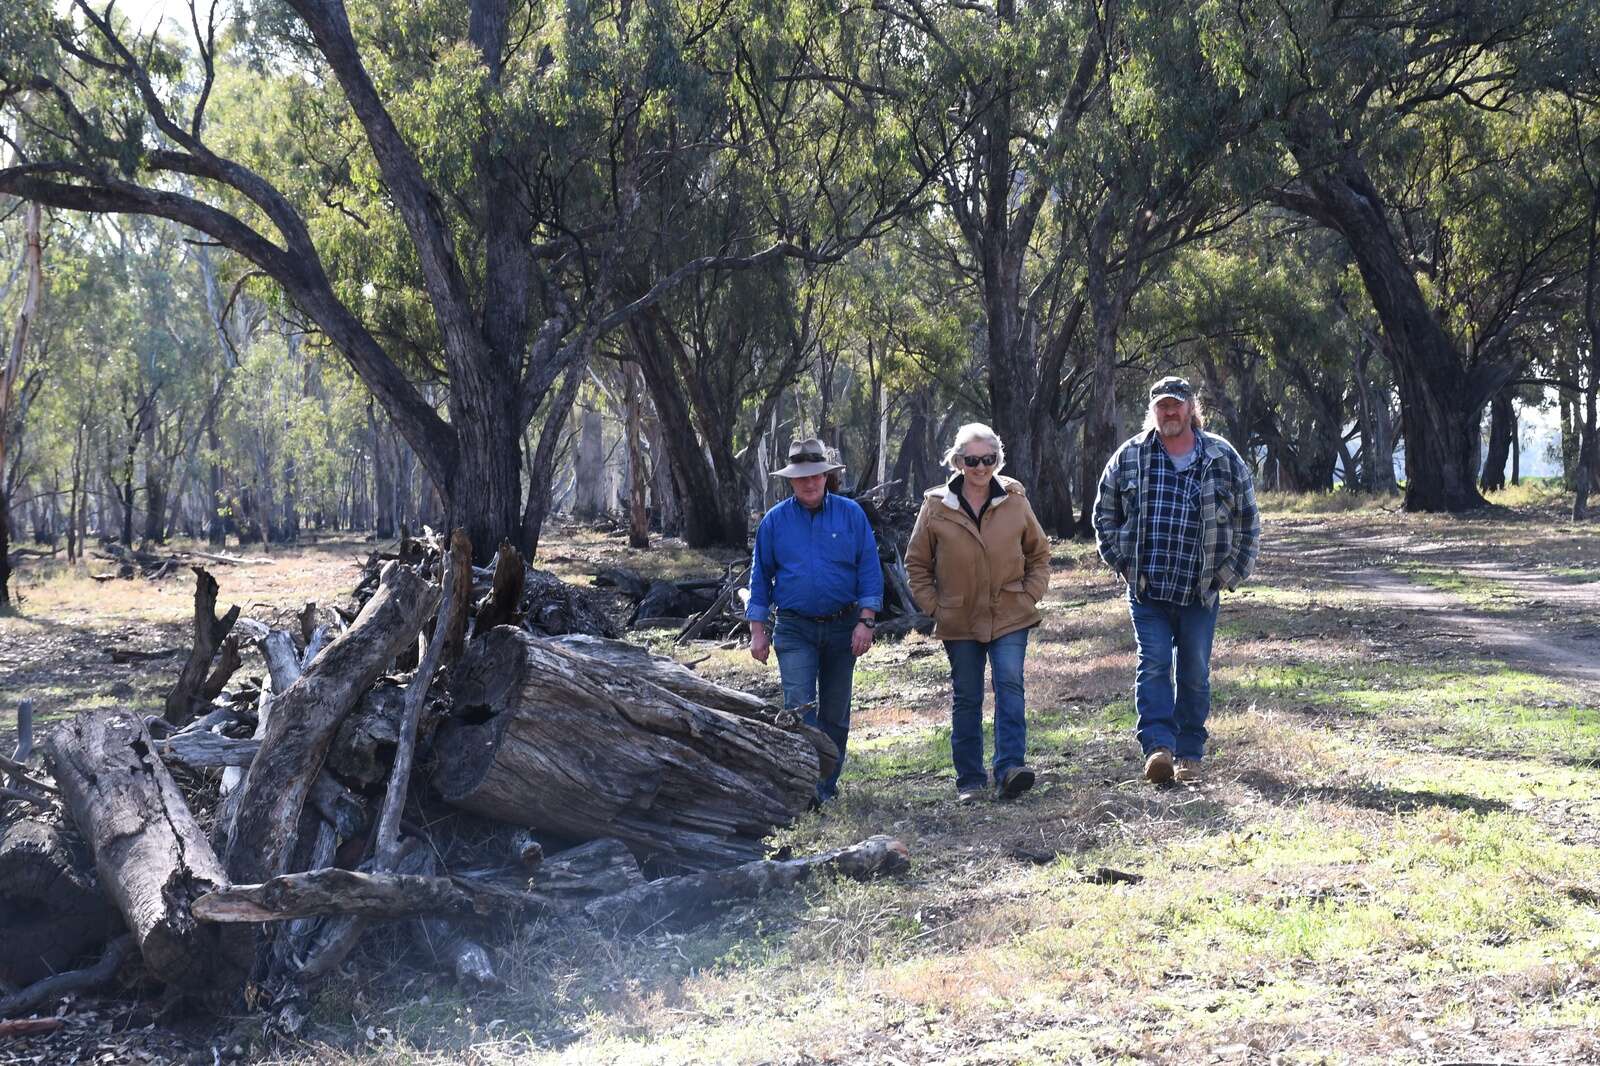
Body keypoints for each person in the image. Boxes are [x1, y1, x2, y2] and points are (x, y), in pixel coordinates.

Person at [1092, 376, 1259, 785]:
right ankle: (1158, 750)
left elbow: (1248, 522)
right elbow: (1104, 516)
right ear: (1153, 410)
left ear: (1191, 408)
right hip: (1148, 590)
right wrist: (1125, 567)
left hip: (1199, 591)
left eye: (1177, 405)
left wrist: (1228, 574)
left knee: (1195, 670)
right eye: (1162, 406)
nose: (1169, 412)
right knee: (1152, 665)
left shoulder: (1222, 457)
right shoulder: (1129, 456)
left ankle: (1189, 754)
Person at [905, 423, 1051, 803]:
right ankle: (969, 780)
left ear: (997, 460)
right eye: (972, 460)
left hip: (1010, 613)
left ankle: (1010, 769)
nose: (981, 467)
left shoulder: (1014, 498)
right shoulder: (936, 506)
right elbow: (916, 563)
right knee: (967, 696)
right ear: (958, 461)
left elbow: (1039, 553)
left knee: (1009, 685)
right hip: (959, 618)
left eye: (988, 459)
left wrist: (1030, 593)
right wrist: (935, 607)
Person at [746, 438, 884, 805]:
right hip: (794, 628)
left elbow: (869, 569)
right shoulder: (775, 522)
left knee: (836, 712)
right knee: (799, 708)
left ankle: (827, 785)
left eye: (816, 476)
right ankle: (804, 786)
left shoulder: (851, 515)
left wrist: (866, 621)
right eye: (801, 478)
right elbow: (760, 578)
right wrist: (757, 631)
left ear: (827, 477)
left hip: (843, 626)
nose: (809, 483)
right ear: (790, 481)